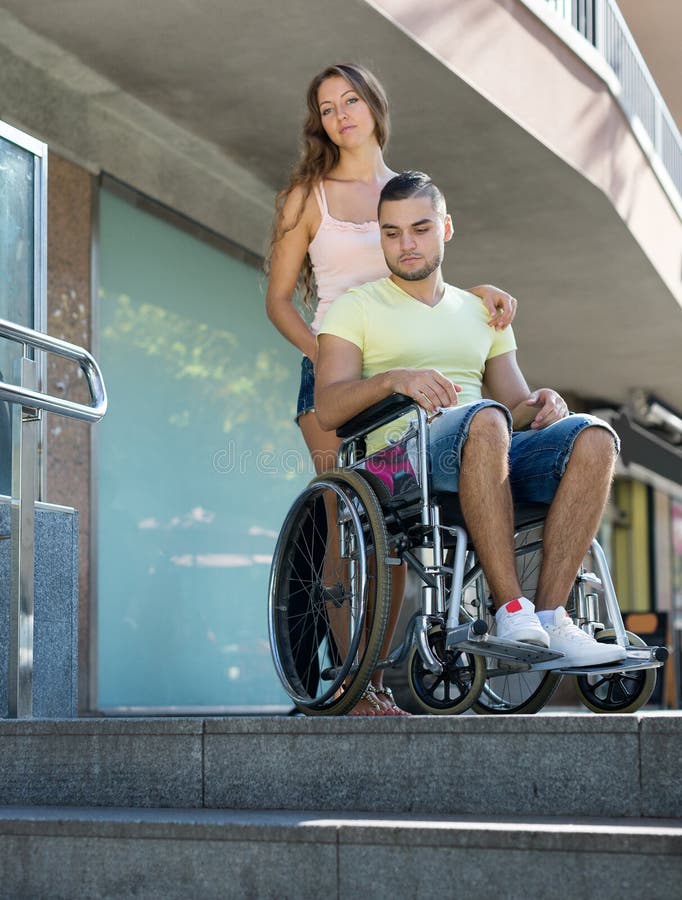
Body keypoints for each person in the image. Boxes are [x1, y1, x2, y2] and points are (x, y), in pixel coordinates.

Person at [315, 170, 626, 701]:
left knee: (594, 437)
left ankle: (550, 616)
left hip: (487, 442)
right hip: (401, 459)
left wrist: (544, 404)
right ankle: (510, 609)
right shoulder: (356, 307)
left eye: (419, 228)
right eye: (391, 233)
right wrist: (394, 380)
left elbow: (514, 407)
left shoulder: (483, 312)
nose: (405, 244)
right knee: (484, 420)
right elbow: (328, 406)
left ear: (446, 229)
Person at [266, 63, 519, 715]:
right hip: (338, 382)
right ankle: (352, 688)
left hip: (405, 382)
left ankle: (380, 670)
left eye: (350, 100)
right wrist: (329, 360)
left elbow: (424, 277)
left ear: (375, 105)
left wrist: (480, 295)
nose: (340, 115)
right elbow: (278, 302)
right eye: (326, 108)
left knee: (400, 527)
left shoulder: (405, 195)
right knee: (342, 527)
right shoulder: (308, 195)